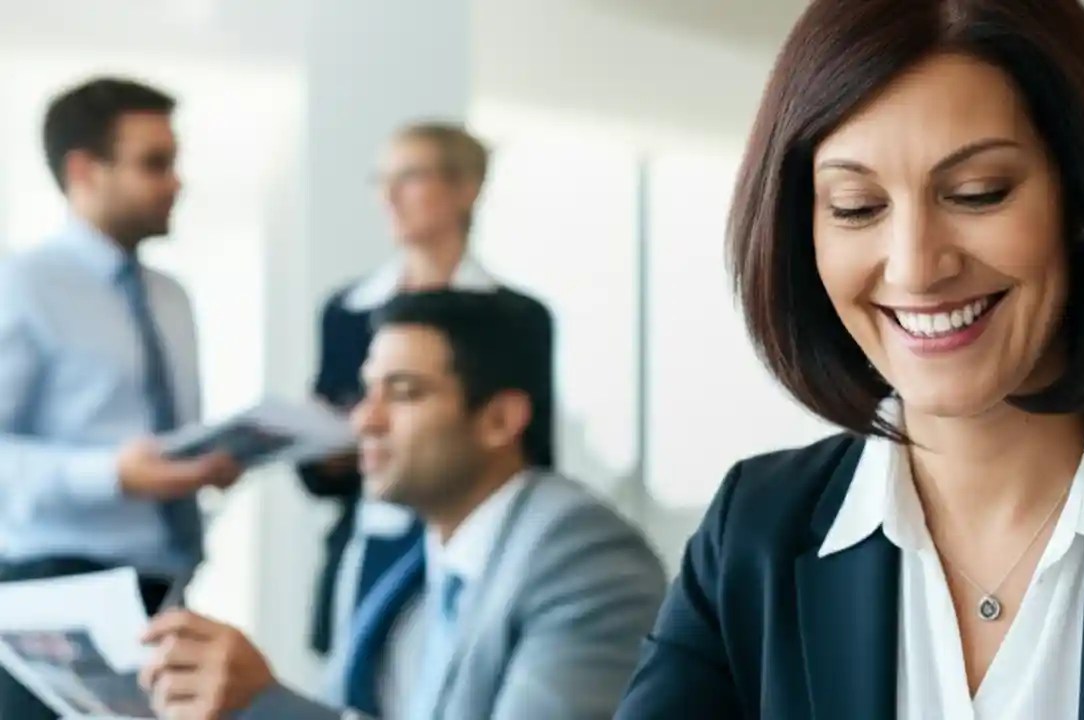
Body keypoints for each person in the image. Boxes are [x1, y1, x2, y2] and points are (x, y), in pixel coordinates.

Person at [616, 1, 1084, 718]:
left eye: (977, 193)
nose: (916, 268)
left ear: (1083, 196)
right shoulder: (752, 537)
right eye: (856, 206)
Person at [143, 290, 665, 720]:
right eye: (367, 394)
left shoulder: (585, 557)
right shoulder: (409, 563)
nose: (364, 422)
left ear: (500, 420)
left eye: (404, 393)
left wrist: (272, 708)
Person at [0, 78, 242, 719]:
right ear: (85, 170)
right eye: (154, 163)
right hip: (55, 595)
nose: (176, 182)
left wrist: (203, 464)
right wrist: (111, 474)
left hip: (162, 594)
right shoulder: (23, 285)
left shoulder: (172, 298)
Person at [298, 122, 556, 658]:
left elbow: (532, 457)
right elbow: (317, 475)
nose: (388, 196)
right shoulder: (346, 310)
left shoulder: (517, 318)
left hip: (477, 544)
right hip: (370, 540)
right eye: (381, 179)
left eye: (410, 176)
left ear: (466, 188)